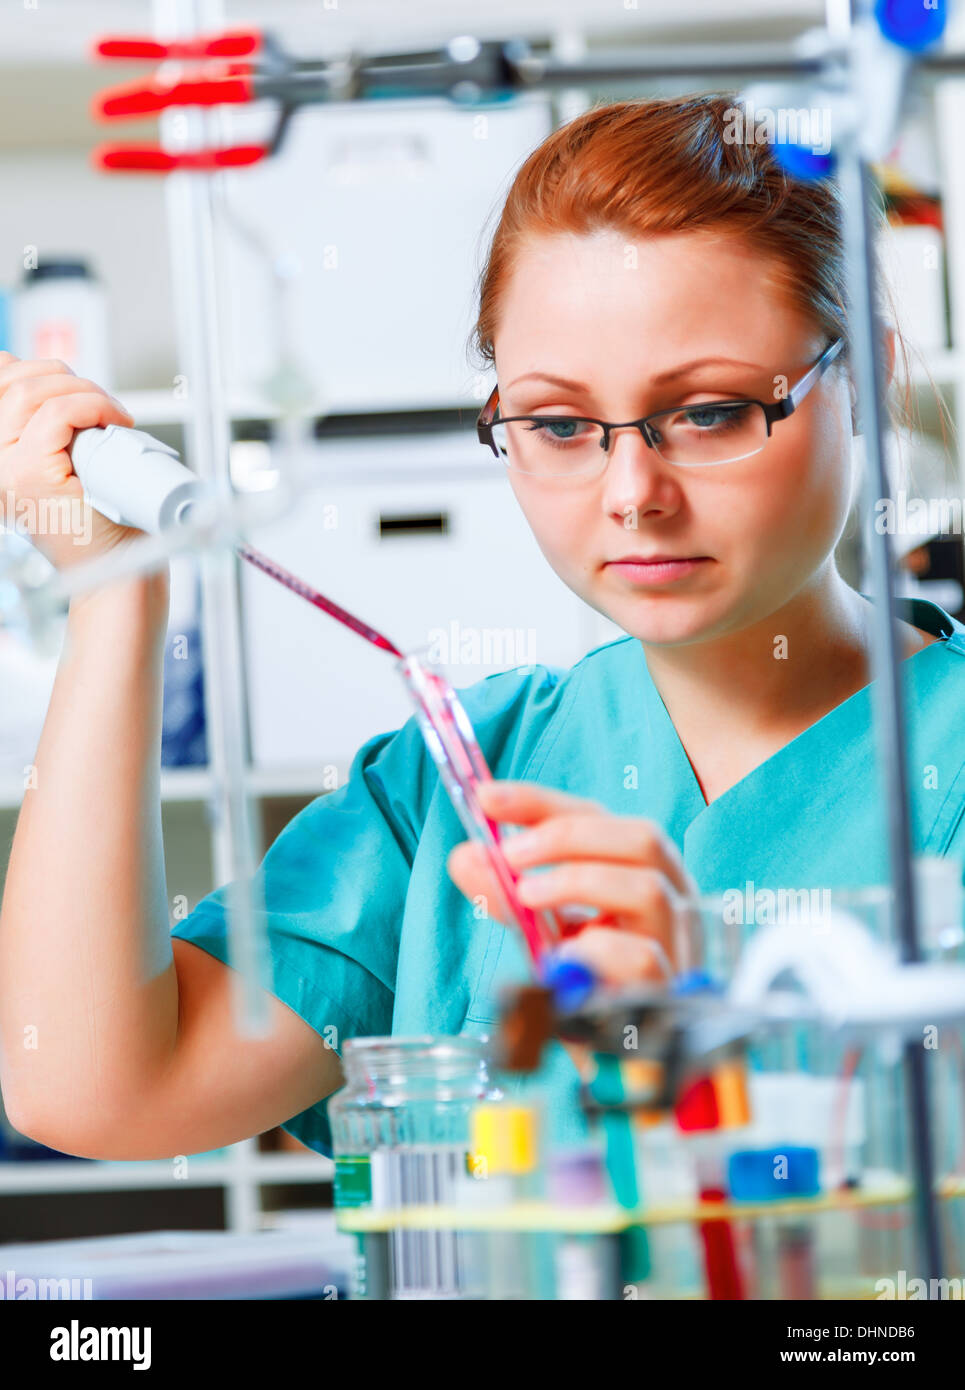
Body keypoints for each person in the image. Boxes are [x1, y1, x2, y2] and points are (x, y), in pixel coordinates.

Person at [1, 94, 963, 1160]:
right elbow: (93, 1090)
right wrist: (116, 596)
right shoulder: (455, 787)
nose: (631, 492)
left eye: (708, 411)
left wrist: (719, 1050)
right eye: (556, 423)